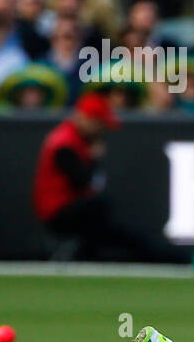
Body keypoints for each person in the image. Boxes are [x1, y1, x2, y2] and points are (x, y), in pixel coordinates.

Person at [32, 92, 185, 262]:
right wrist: (93, 159)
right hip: (58, 213)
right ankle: (82, 255)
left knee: (121, 235)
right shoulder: (64, 144)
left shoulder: (71, 139)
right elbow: (81, 181)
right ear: (87, 119)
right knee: (100, 208)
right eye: (99, 124)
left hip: (69, 209)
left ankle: (165, 256)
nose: (102, 129)